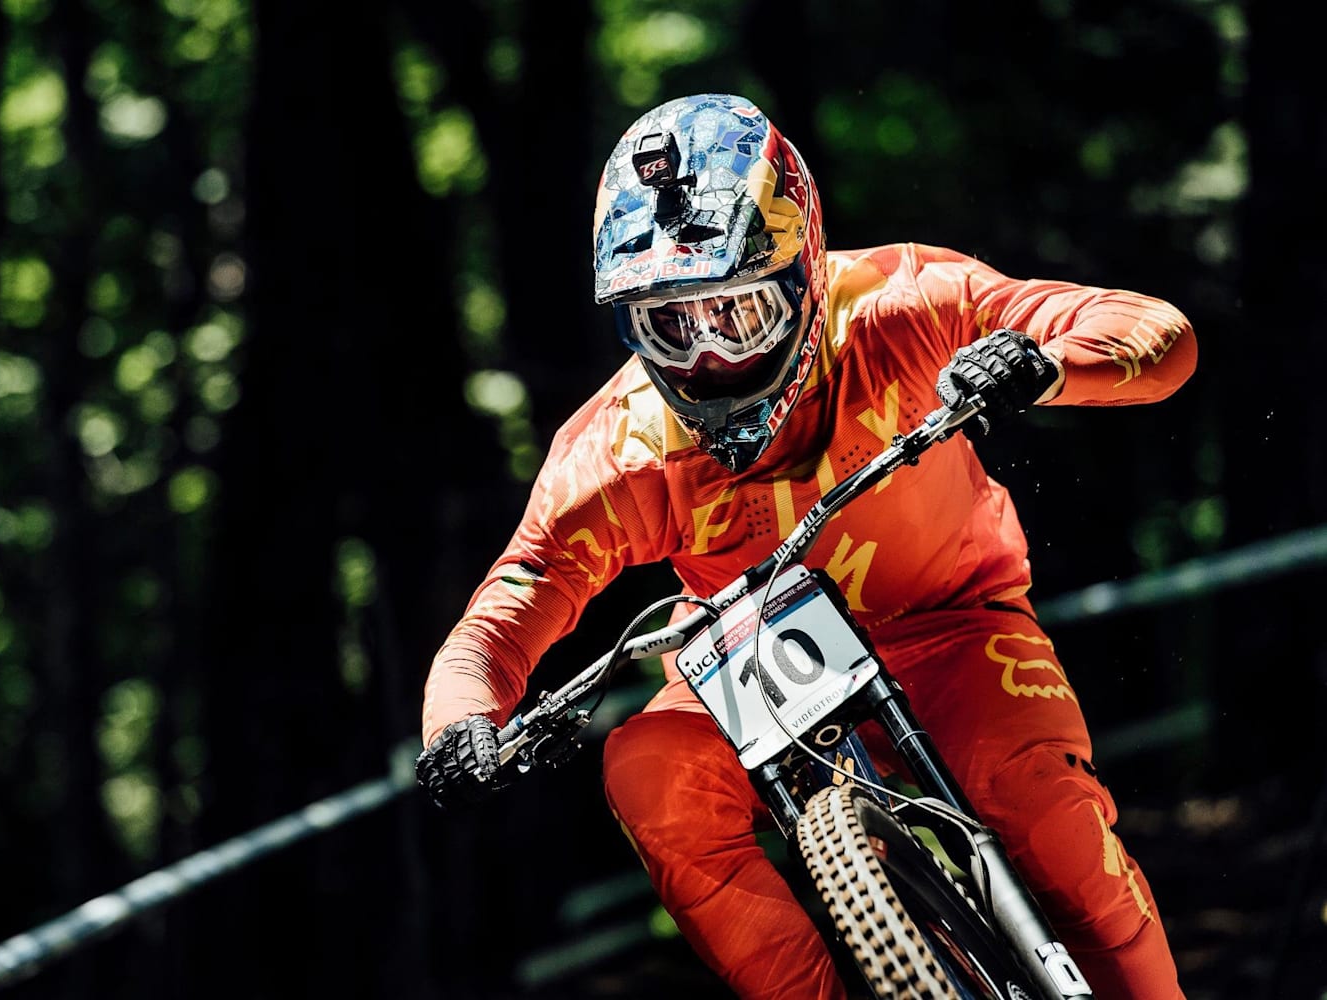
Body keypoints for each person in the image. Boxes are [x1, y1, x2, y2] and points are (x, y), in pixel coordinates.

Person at [415, 92, 1195, 999]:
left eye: (737, 315)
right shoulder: (617, 450)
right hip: (749, 666)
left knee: (1045, 813)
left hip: (951, 622)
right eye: (671, 324)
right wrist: (460, 726)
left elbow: (1157, 334)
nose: (707, 358)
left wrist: (1044, 363)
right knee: (646, 769)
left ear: (800, 279)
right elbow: (511, 603)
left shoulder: (900, 305)